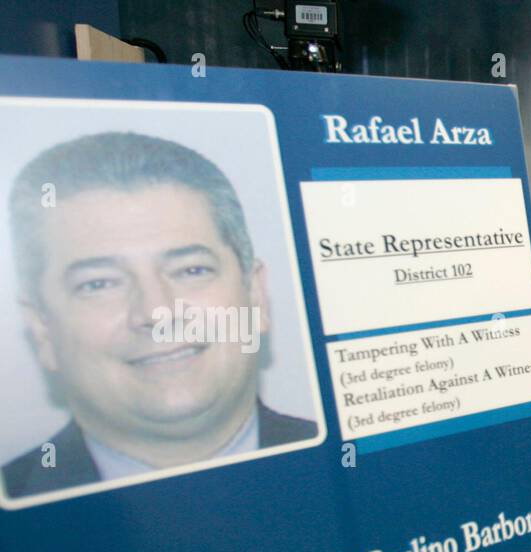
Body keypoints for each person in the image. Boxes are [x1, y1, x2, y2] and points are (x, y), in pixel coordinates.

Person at [2, 131, 316, 500]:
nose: (157, 312)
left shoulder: (364, 466)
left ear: (255, 296)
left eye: (191, 270)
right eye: (100, 283)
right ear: (42, 329)